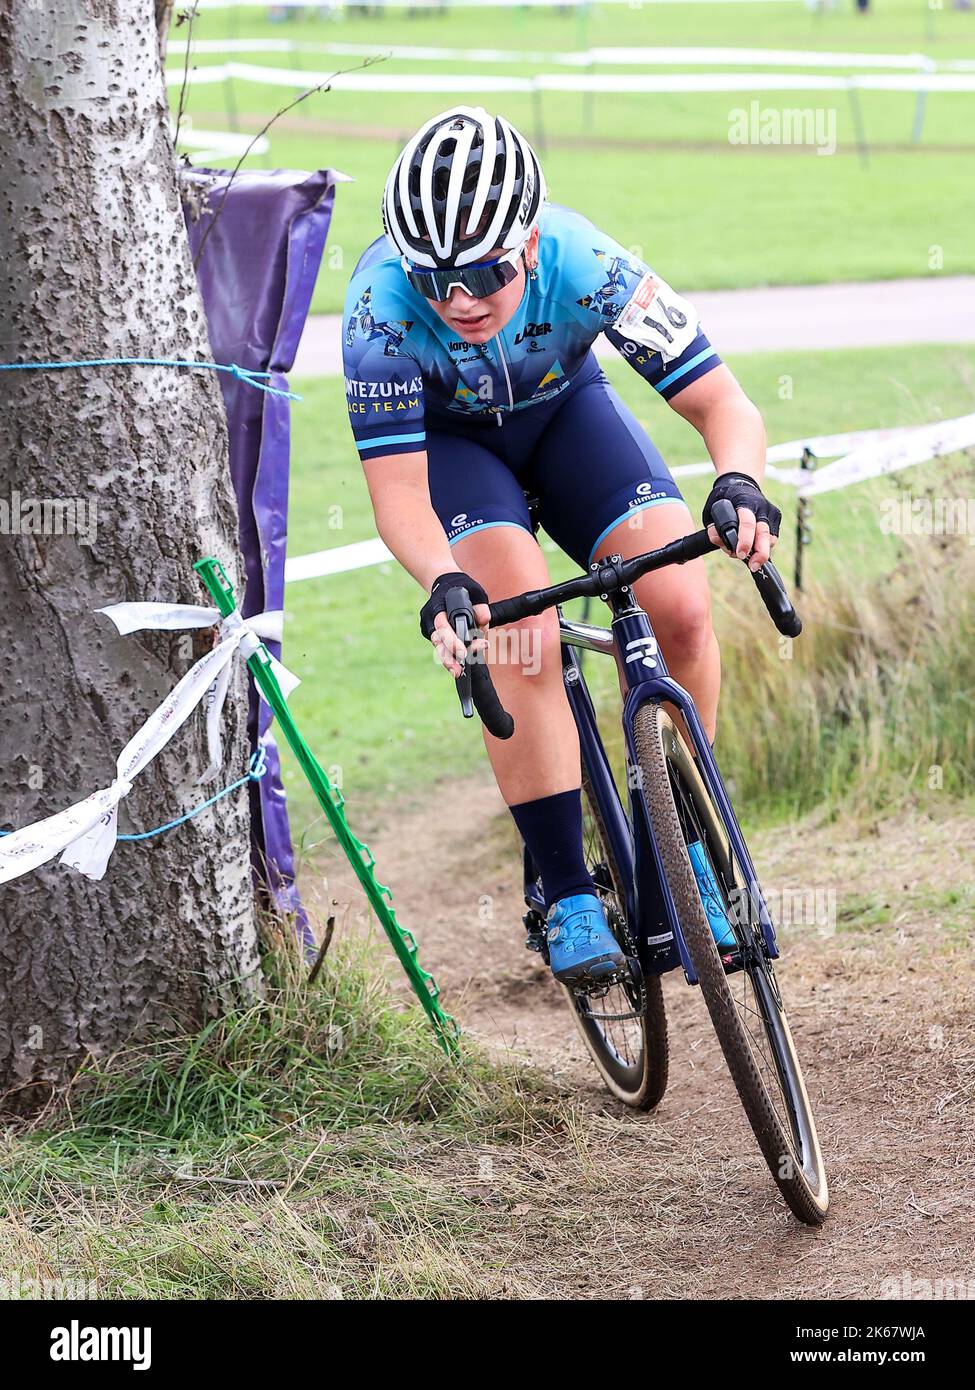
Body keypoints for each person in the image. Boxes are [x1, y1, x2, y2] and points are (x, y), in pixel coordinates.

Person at [342, 106, 781, 987]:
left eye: (485, 273)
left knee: (682, 609)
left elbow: (723, 405)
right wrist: (442, 582)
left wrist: (736, 482)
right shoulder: (378, 312)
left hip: (566, 419)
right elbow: (397, 497)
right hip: (459, 455)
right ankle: (566, 888)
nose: (459, 300)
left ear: (531, 245)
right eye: (435, 280)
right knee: (517, 635)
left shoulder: (589, 261)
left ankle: (680, 836)